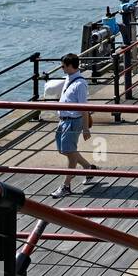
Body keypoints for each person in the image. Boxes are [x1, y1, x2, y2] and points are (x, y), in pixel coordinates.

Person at [49, 53, 96, 198]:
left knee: (70, 153)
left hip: (72, 121)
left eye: (63, 66)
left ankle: (66, 185)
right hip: (64, 120)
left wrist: (86, 128)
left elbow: (83, 107)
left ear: (70, 66)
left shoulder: (80, 84)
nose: (62, 68)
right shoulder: (69, 78)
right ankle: (88, 168)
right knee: (65, 150)